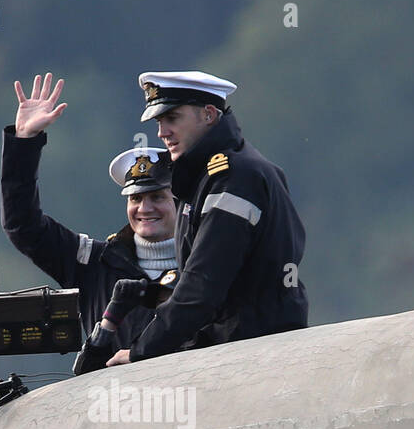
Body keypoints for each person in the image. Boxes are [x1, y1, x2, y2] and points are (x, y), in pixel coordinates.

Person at [104, 71, 308, 366]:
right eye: (159, 122)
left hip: (254, 354)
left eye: (172, 118)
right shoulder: (215, 175)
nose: (162, 132)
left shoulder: (234, 178)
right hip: (250, 347)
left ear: (209, 115)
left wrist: (141, 352)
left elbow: (202, 289)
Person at [0, 73, 177, 367]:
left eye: (157, 197)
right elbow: (23, 226)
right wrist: (24, 141)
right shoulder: (93, 264)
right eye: (135, 199)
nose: (145, 208)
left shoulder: (203, 260)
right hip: (117, 406)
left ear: (179, 201)